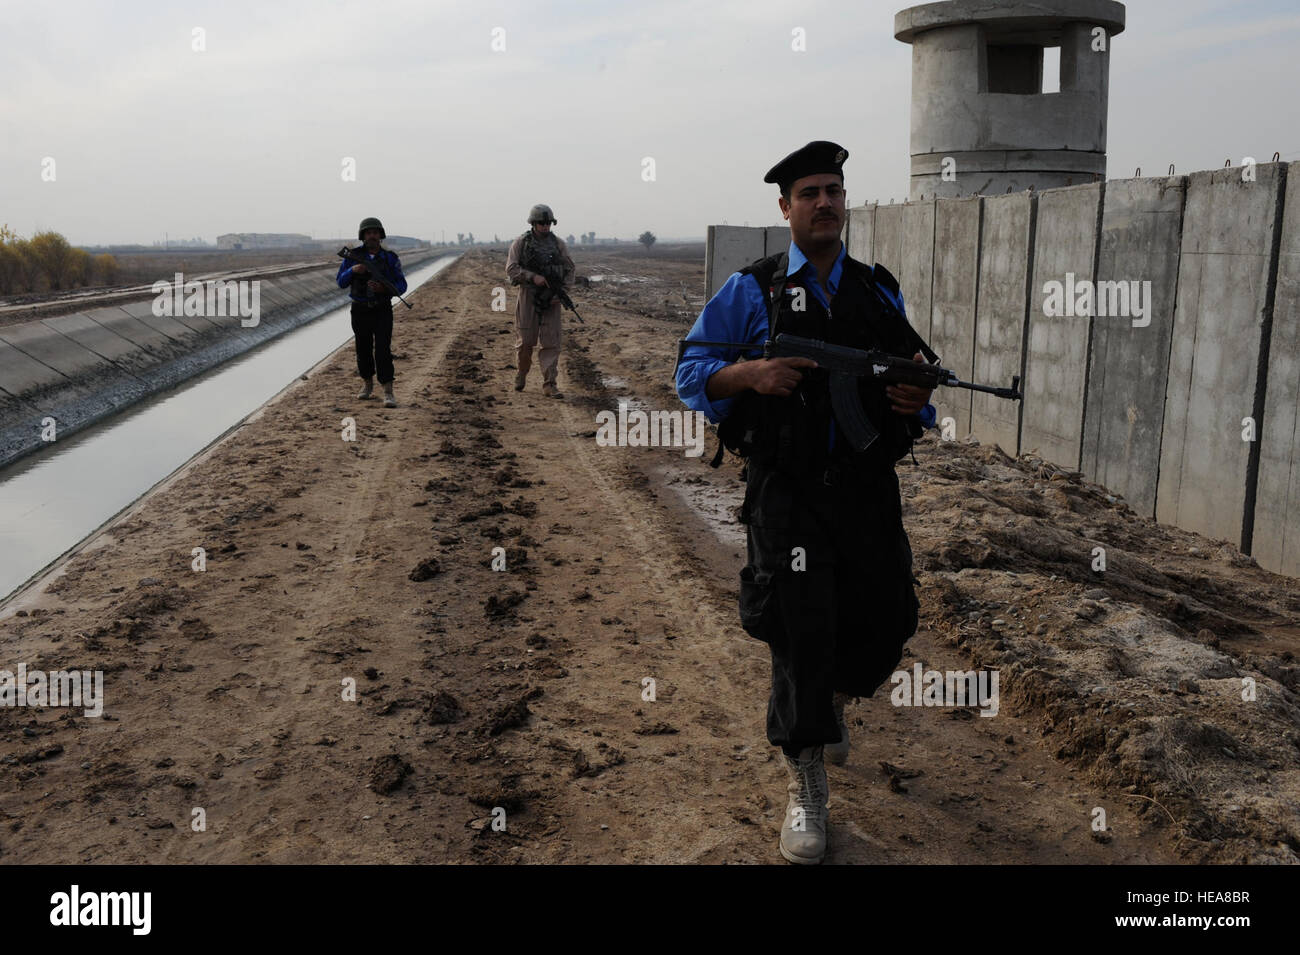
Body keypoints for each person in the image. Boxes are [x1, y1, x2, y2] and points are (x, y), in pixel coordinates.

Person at [675, 141, 937, 865]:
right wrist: (752, 374)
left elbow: (913, 383)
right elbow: (689, 369)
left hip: (865, 490)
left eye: (835, 190)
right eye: (810, 193)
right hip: (785, 491)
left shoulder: (878, 290)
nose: (825, 203)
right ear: (785, 208)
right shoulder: (751, 290)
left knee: (886, 617)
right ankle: (805, 778)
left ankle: (835, 701)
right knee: (797, 629)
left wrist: (917, 398)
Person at [505, 204, 575, 398]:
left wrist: (561, 293)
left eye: (548, 223)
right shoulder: (520, 243)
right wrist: (531, 276)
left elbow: (570, 270)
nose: (545, 226)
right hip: (528, 297)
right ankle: (522, 372)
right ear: (533, 223)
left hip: (551, 299)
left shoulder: (559, 245)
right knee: (526, 341)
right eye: (541, 223)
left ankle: (550, 383)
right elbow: (510, 269)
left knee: (551, 343)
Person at [337, 216, 408, 408]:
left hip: (382, 309)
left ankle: (388, 390)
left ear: (380, 235)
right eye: (368, 233)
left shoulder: (390, 258)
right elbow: (341, 282)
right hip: (360, 310)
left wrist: (383, 289)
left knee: (383, 349)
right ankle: (367, 384)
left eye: (375, 233)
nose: (372, 236)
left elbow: (402, 285)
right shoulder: (353, 256)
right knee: (363, 349)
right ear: (363, 236)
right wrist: (353, 270)